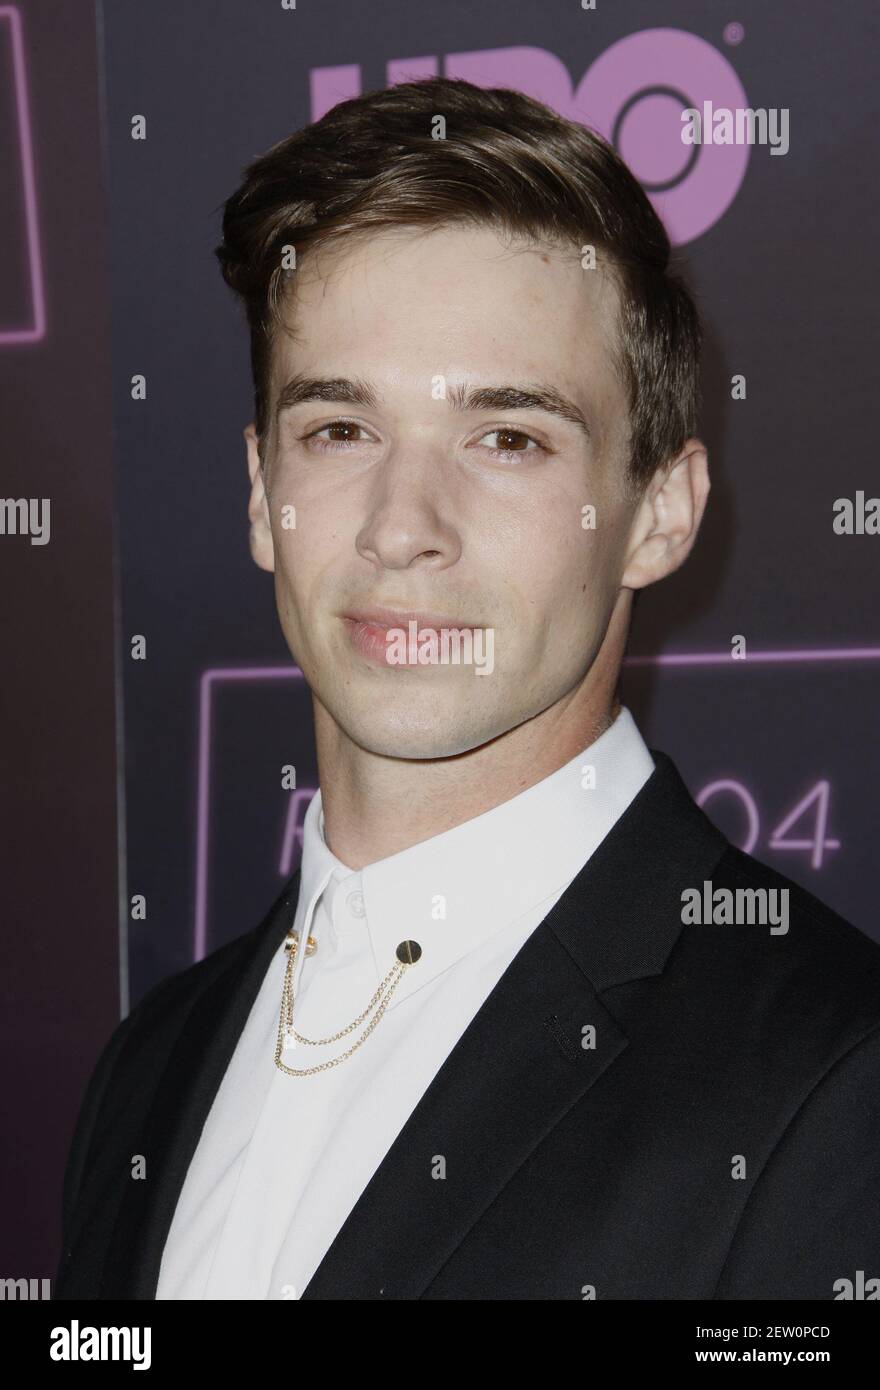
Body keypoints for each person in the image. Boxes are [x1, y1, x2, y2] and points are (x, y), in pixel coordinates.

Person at [55, 77, 880, 1301]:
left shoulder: (834, 1079)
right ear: (257, 491)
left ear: (660, 512)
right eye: (339, 429)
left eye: (508, 439)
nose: (403, 528)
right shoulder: (153, 1062)